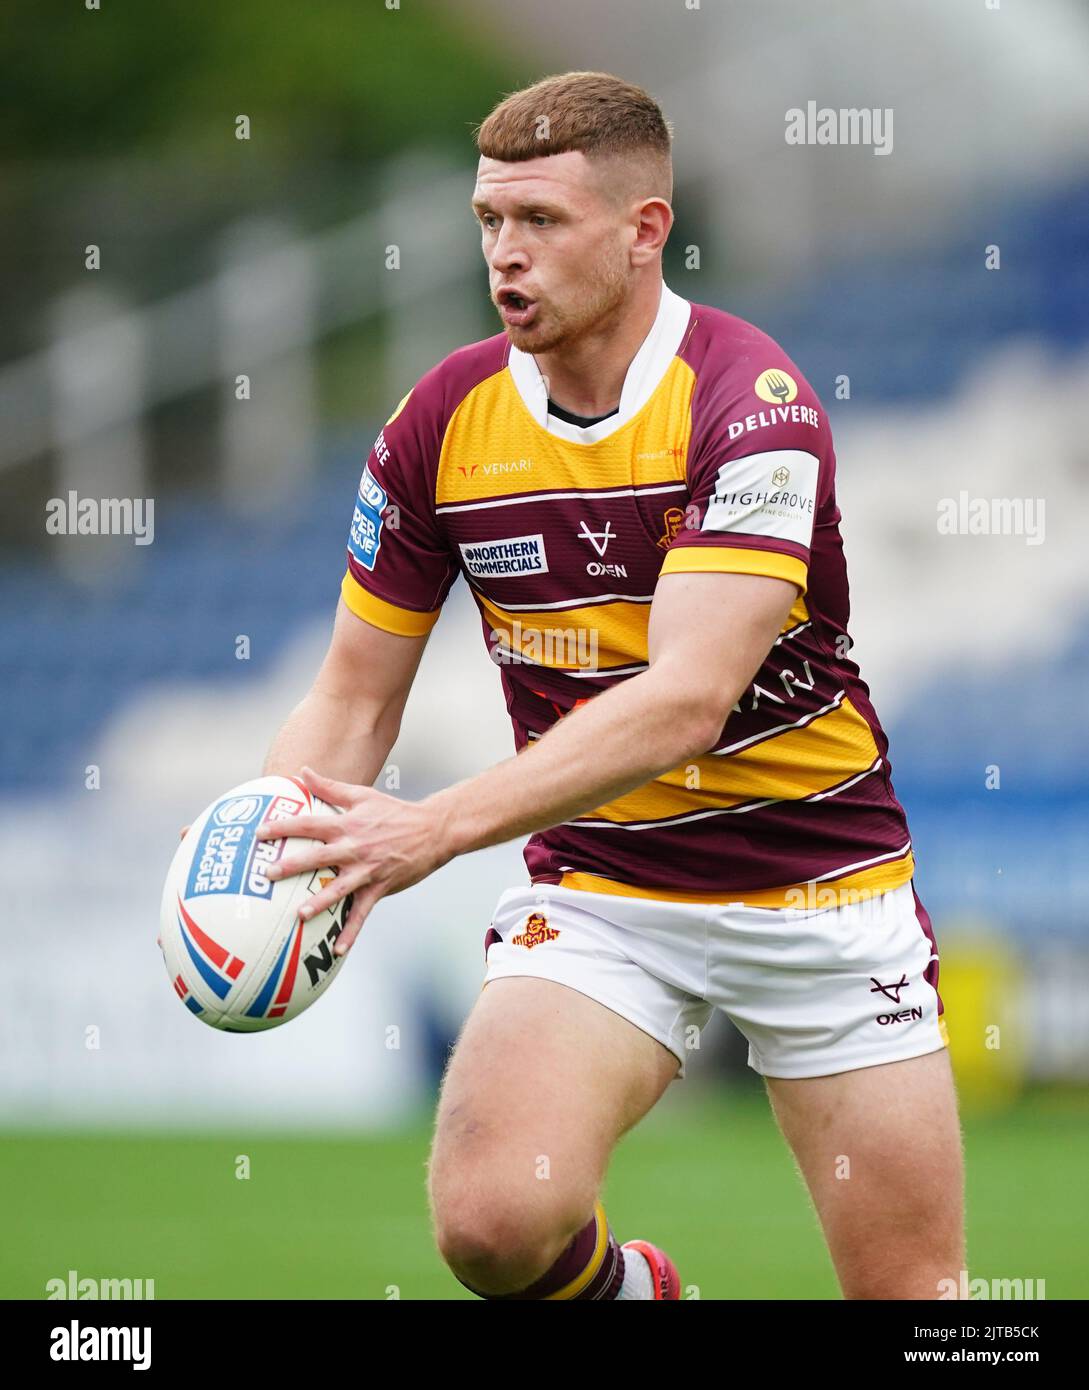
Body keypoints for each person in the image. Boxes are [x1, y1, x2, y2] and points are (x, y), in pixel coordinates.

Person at [255, 71, 964, 1301]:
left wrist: (434, 828)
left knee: (917, 1305)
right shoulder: (440, 420)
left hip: (822, 893)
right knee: (490, 1222)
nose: (505, 256)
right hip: (608, 889)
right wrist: (270, 854)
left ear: (644, 232)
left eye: (541, 223)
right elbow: (354, 698)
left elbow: (687, 700)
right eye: (489, 223)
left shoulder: (754, 407)